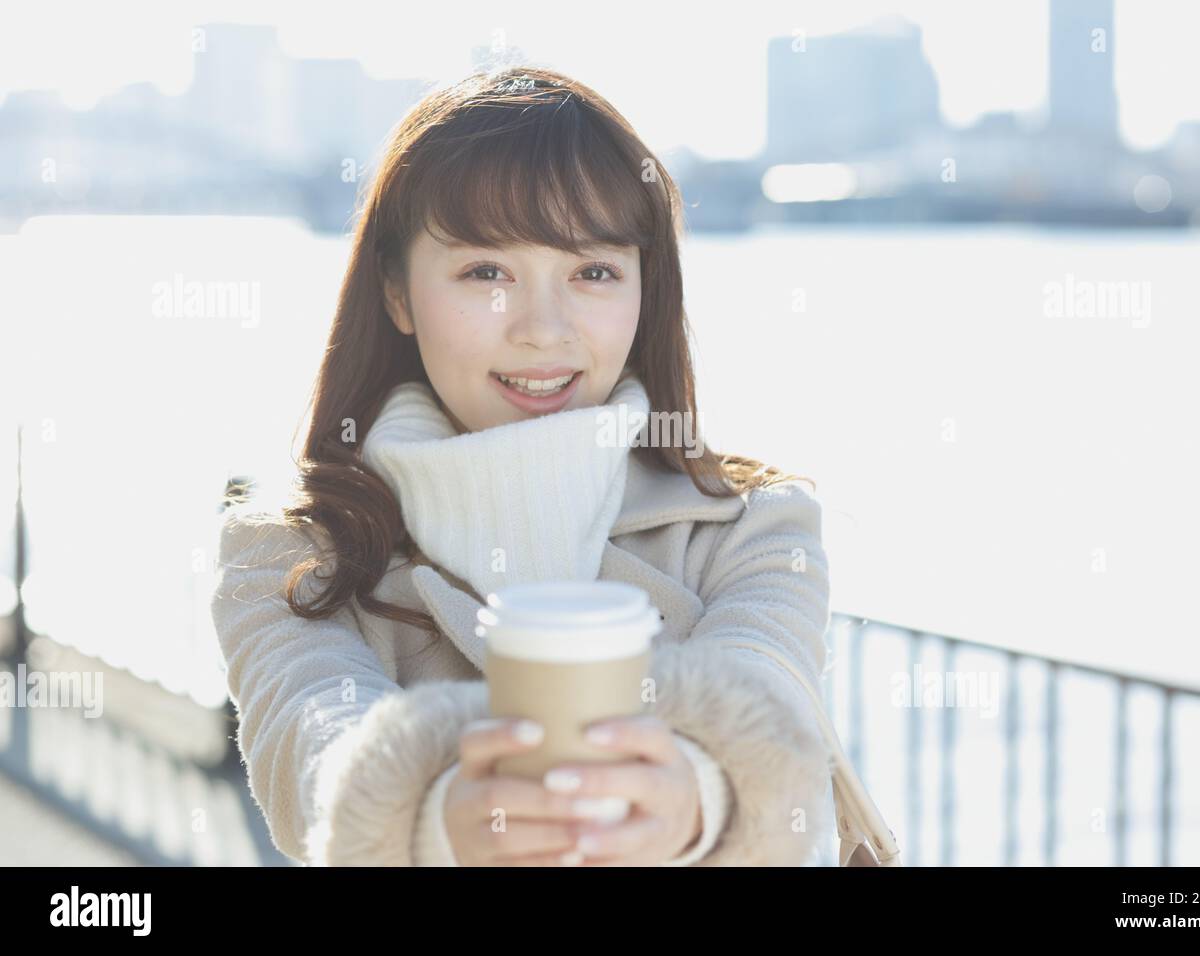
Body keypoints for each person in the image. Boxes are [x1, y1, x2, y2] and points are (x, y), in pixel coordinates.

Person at [210, 66, 835, 866]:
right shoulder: (290, 552)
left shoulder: (757, 526)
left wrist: (695, 796)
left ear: (648, 290)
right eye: (487, 273)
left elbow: (769, 704)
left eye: (594, 271)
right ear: (397, 293)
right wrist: (440, 817)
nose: (544, 329)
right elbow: (314, 745)